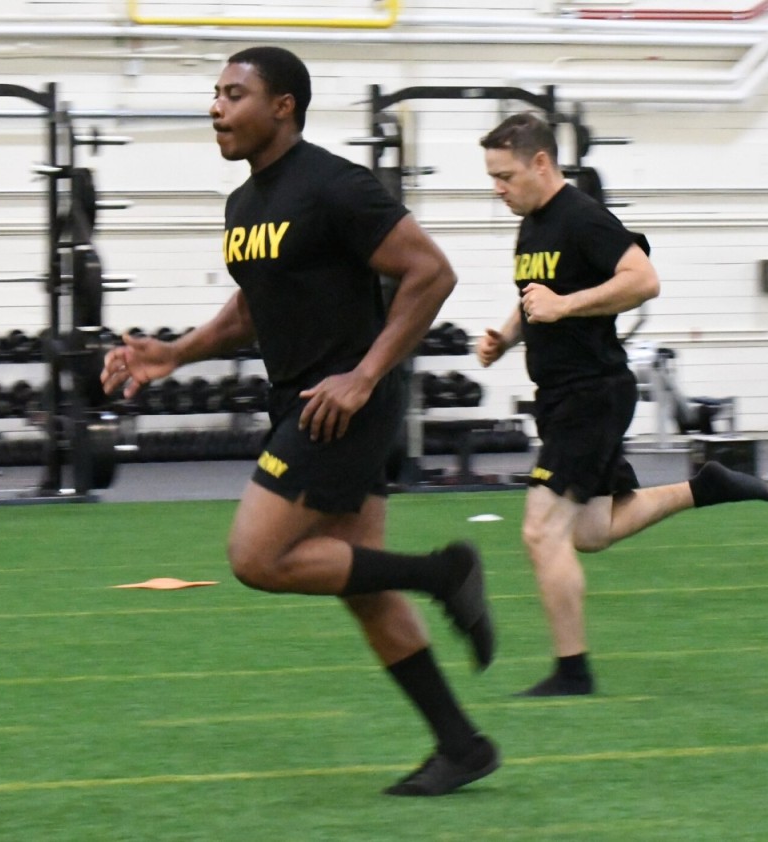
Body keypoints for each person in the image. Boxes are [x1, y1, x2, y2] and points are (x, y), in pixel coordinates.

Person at [101, 46, 498, 796]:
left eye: (234, 95)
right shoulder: (244, 205)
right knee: (360, 582)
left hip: (344, 403)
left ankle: (443, 573)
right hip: (300, 399)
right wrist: (173, 353)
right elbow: (250, 310)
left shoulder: (336, 186)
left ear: (283, 107)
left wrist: (364, 375)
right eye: (216, 94)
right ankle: (462, 745)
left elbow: (431, 272)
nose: (216, 108)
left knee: (256, 558)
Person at [476, 113, 768, 697]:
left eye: (505, 176)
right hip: (560, 396)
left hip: (591, 395)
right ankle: (705, 487)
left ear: (541, 162)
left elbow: (643, 279)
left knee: (541, 531)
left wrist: (566, 306)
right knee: (589, 531)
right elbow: (535, 295)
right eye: (492, 177)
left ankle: (573, 672)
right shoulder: (532, 226)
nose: (497, 189)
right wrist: (506, 335)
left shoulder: (582, 216)